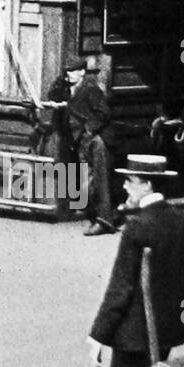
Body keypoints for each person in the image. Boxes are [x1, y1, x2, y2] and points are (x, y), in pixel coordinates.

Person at [87, 154, 184, 367]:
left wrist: (97, 336)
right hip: (168, 329)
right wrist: (173, 287)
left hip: (134, 336)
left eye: (130, 180)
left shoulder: (137, 227)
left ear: (147, 185)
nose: (124, 186)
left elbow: (120, 289)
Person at [68, 54, 118, 236]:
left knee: (100, 181)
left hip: (99, 141)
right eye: (68, 71)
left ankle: (104, 221)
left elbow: (105, 113)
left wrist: (89, 129)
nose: (69, 74)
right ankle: (103, 213)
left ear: (82, 72)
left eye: (73, 71)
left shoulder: (90, 89)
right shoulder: (73, 89)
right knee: (87, 183)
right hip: (83, 141)